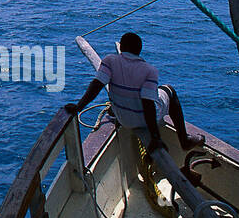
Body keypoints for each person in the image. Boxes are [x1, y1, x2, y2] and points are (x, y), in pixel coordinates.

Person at [65, 32, 205, 154]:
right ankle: (184, 140)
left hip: (123, 119)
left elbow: (96, 86)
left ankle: (114, 110)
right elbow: (148, 104)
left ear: (122, 48)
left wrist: (78, 107)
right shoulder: (148, 70)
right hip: (143, 120)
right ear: (139, 51)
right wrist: (155, 138)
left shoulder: (109, 61)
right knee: (169, 90)